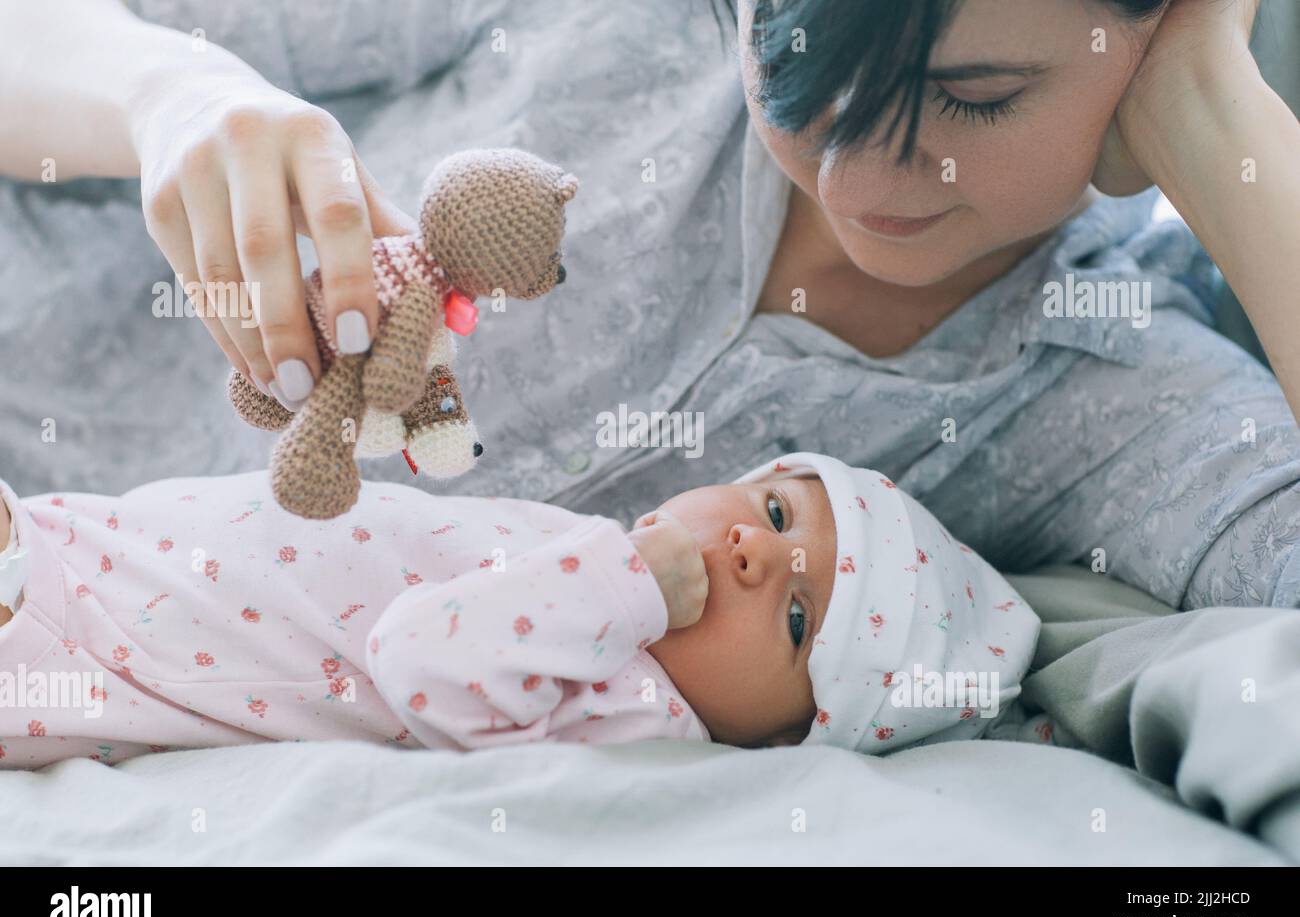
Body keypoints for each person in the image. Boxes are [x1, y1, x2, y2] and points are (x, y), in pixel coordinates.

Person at [0, 0, 1297, 611]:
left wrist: (1217, 117)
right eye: (794, 78)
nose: (852, 174)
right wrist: (164, 89)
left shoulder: (1115, 397)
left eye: (976, 98)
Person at [0, 452, 1038, 768]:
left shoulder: (641, 714)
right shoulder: (602, 579)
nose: (753, 550)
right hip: (93, 543)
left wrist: (626, 580)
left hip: (83, 633)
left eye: (801, 618)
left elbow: (418, 655)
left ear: (783, 733)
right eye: (774, 508)